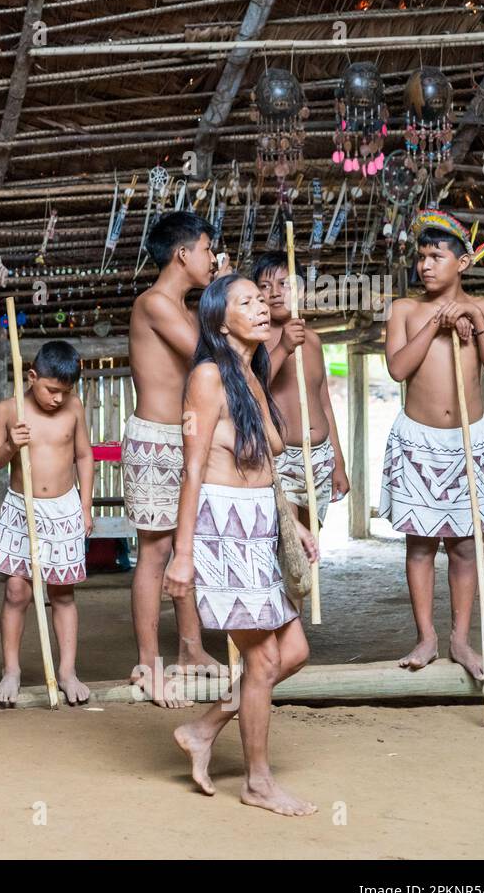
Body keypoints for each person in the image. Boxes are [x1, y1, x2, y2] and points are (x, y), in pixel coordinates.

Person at [164, 273, 319, 817]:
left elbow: (265, 461)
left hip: (259, 528)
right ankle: (257, 780)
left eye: (261, 299)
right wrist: (182, 554)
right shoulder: (207, 376)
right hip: (221, 530)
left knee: (292, 652)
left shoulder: (255, 370)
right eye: (246, 302)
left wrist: (291, 522)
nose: (260, 307)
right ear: (217, 318)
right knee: (265, 657)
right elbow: (191, 467)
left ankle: (203, 729)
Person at [380, 211, 484, 679]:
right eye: (421, 256)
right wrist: (434, 323)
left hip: (468, 442)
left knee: (464, 546)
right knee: (419, 545)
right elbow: (398, 369)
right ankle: (427, 636)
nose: (426, 265)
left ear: (464, 262)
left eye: (437, 256)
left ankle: (459, 639)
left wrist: (473, 317)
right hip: (419, 441)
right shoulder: (404, 310)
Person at [123, 211, 225, 706]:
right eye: (208, 249)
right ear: (184, 253)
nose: (214, 258)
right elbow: (209, 356)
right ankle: (147, 664)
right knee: (156, 552)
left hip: (183, 439)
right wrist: (228, 298)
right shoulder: (156, 303)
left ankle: (190, 649)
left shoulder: (183, 306)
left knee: (188, 545)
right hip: (153, 440)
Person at [0, 340, 95, 706]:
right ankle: (11, 670)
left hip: (64, 508)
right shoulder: (8, 410)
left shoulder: (73, 408)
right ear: (31, 377)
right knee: (17, 591)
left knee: (62, 592)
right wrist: (11, 446)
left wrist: (85, 506)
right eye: (51, 390)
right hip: (22, 507)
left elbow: (83, 455)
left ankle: (66, 671)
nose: (58, 399)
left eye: (65, 392)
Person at [253, 251, 350, 526]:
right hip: (278, 459)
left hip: (319, 457)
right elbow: (252, 389)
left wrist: (338, 464)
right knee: (291, 545)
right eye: (265, 285)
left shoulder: (313, 341)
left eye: (285, 284)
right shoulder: (253, 339)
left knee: (310, 550)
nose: (275, 292)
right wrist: (283, 347)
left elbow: (325, 405)